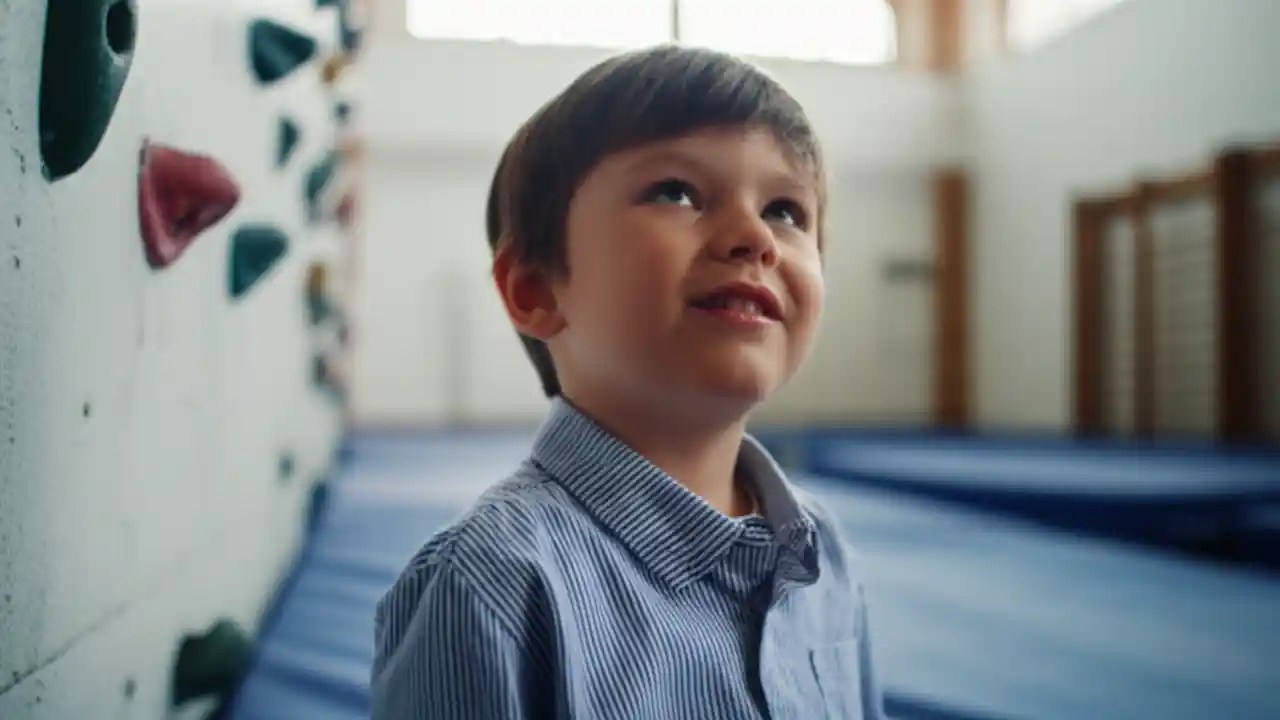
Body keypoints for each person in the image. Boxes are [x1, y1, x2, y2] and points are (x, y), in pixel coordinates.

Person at [372, 44, 882, 719]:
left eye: (787, 211)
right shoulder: (492, 586)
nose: (754, 237)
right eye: (678, 192)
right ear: (535, 290)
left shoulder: (821, 551)